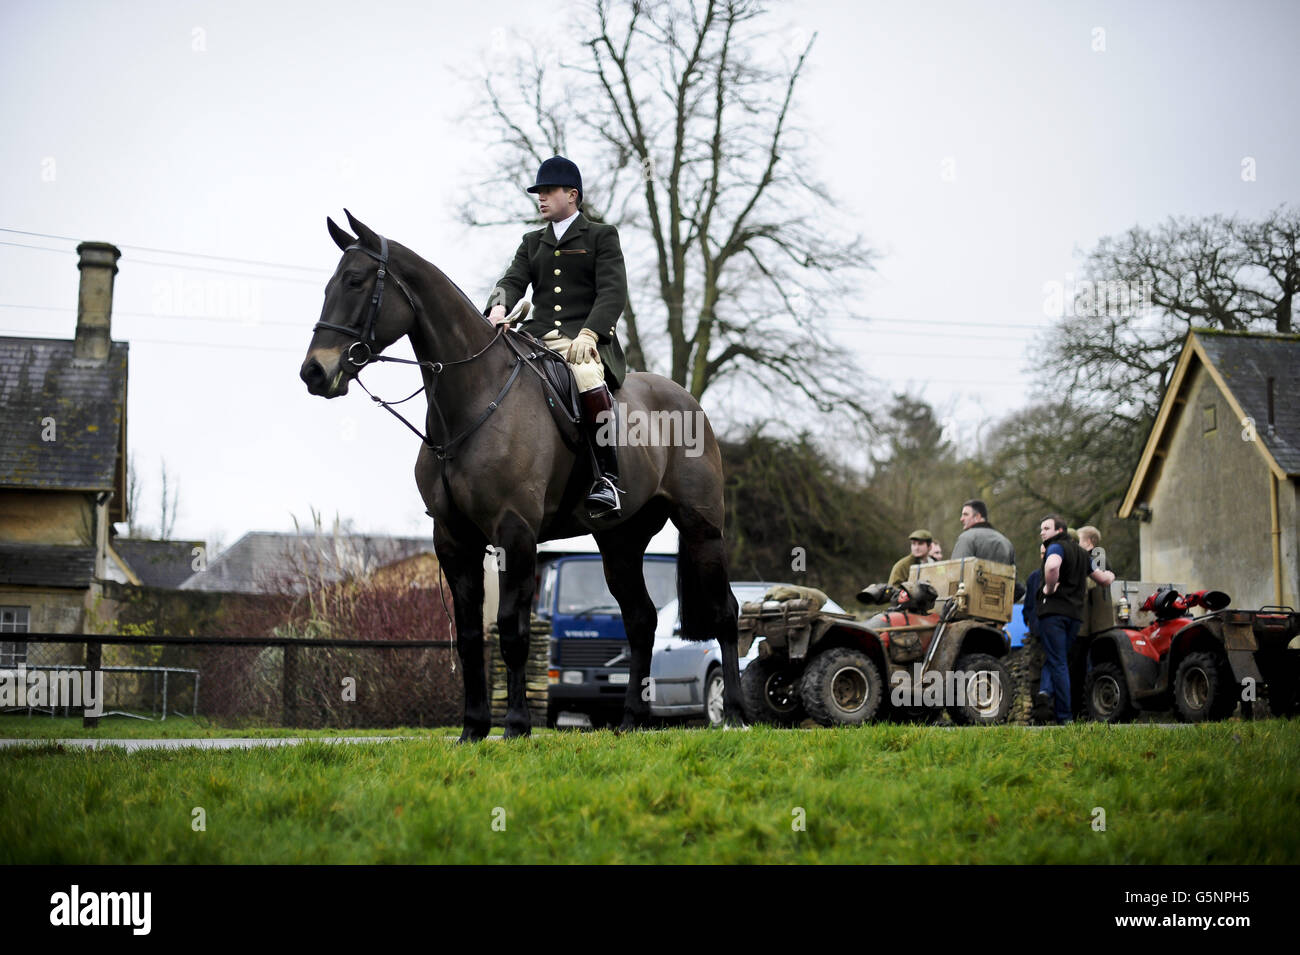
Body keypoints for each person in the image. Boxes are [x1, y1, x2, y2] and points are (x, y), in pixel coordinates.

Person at [483, 156, 630, 518]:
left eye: (548, 191)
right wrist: (498, 309)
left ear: (573, 195)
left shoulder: (601, 236)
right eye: (539, 192)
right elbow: (511, 281)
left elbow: (612, 292)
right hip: (535, 335)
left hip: (582, 339)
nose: (541, 198)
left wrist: (590, 334)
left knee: (586, 374)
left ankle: (607, 479)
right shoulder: (532, 242)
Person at [1037, 514, 1116, 725]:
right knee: (1061, 662)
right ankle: (1055, 699)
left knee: (1059, 663)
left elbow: (1052, 567)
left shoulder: (1056, 547)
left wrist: (1049, 588)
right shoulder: (1083, 554)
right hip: (1075, 617)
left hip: (1054, 613)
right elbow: (1103, 580)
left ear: (1059, 531)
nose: (1042, 532)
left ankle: (1064, 716)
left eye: (1046, 528)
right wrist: (1112, 575)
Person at [950, 499, 1015, 566]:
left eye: (965, 515)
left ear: (977, 517)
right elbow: (1012, 573)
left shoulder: (966, 538)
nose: (961, 519)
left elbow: (957, 569)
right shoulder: (1006, 542)